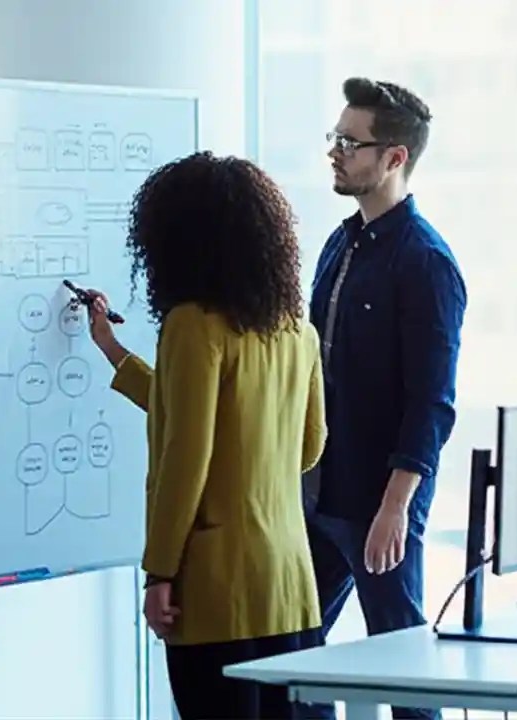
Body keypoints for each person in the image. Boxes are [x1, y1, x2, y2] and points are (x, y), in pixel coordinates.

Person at [82, 151, 326, 720]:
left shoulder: (191, 324)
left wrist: (160, 571)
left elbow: (185, 457)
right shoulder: (298, 332)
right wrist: (112, 351)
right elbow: (309, 448)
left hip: (218, 595)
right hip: (291, 586)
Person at [303, 77, 465, 720]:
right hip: (319, 492)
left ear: (394, 157)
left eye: (351, 141)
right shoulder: (340, 245)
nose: (336, 152)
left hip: (380, 503)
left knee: (402, 668)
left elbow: (432, 402)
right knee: (296, 655)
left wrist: (396, 507)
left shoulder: (426, 262)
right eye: (335, 138)